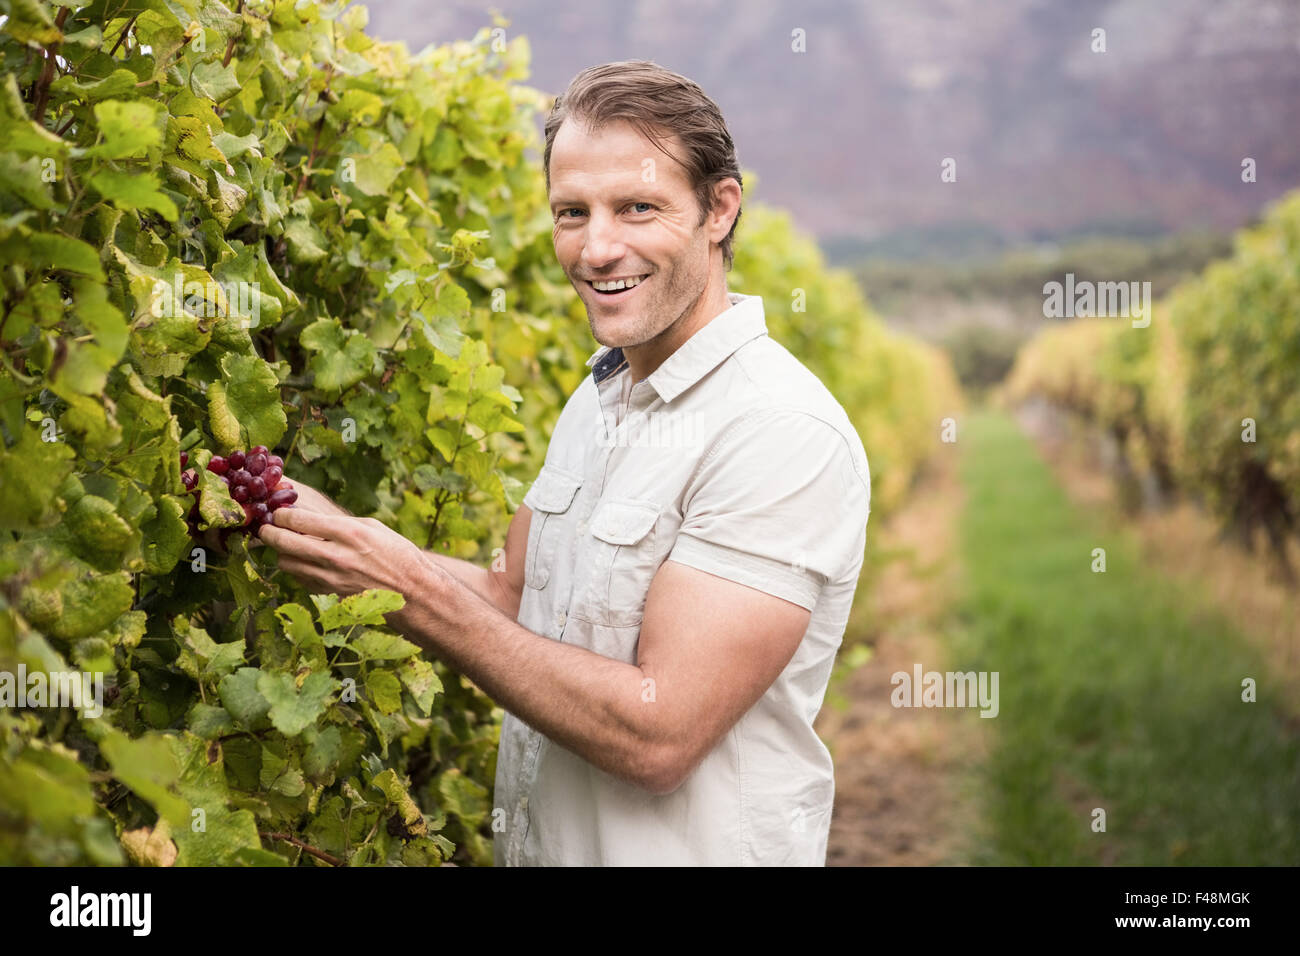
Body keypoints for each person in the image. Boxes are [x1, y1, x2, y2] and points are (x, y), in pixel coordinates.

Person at [260, 60, 871, 866]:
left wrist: (405, 592)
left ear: (719, 210)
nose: (596, 247)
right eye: (571, 212)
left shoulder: (778, 432)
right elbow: (514, 603)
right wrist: (329, 530)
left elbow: (659, 731)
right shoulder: (600, 400)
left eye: (638, 207)